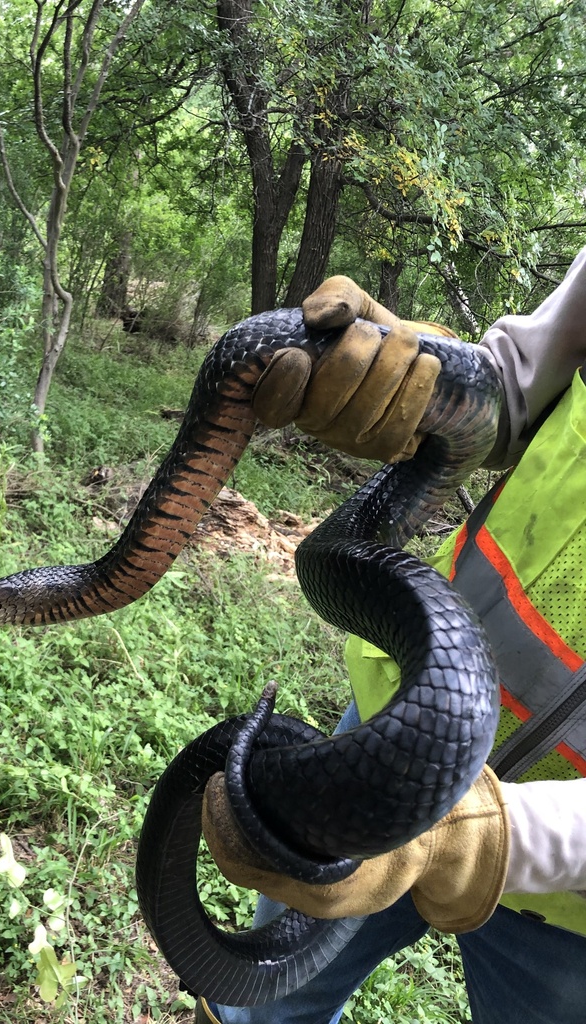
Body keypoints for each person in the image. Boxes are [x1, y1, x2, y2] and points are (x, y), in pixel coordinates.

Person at [195, 249, 586, 1024]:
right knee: (260, 1003)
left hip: (570, 916)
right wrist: (430, 382)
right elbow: (522, 382)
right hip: (394, 732)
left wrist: (485, 838)